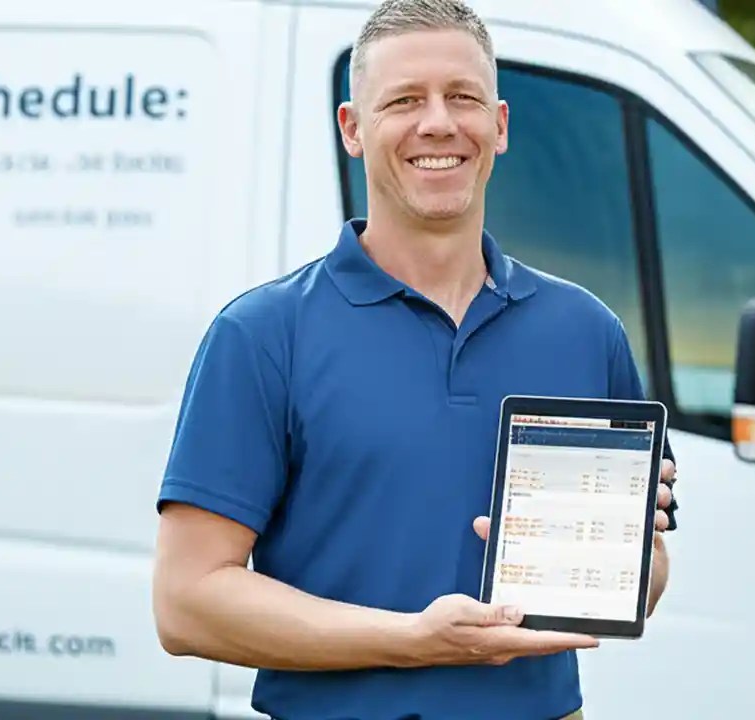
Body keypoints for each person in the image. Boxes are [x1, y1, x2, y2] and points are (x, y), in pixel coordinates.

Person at [151, 1, 680, 718]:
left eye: (461, 97)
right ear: (352, 128)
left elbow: (643, 581)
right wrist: (415, 640)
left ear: (498, 125)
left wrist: (619, 552)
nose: (438, 123)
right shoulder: (262, 335)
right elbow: (187, 603)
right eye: (404, 100)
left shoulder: (586, 332)